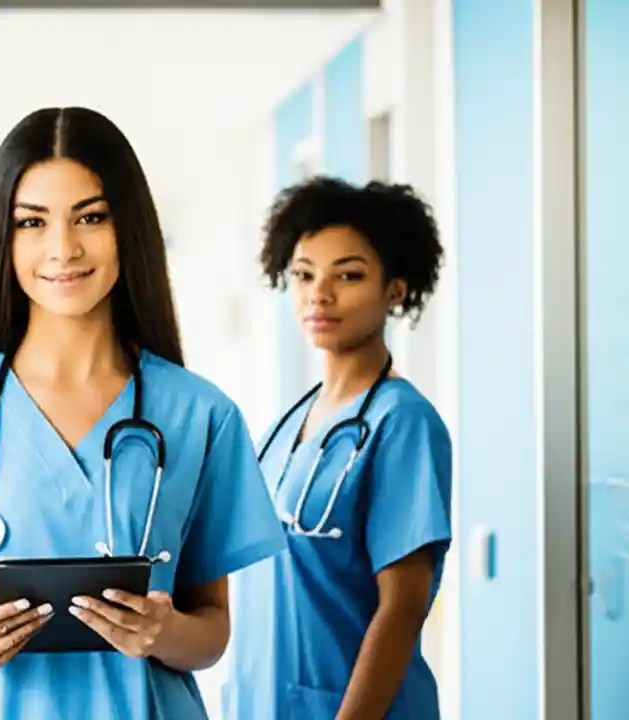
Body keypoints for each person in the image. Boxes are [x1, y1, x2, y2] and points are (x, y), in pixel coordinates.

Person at [0, 107, 286, 720]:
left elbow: (211, 634)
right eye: (32, 222)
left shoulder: (199, 414)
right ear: (2, 238)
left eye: (91, 217)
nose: (63, 248)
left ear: (128, 226)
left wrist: (163, 632)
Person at [223, 176, 453, 720]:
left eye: (349, 275)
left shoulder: (401, 422)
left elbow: (403, 607)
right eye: (304, 275)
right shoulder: (284, 426)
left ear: (395, 290)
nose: (319, 294)